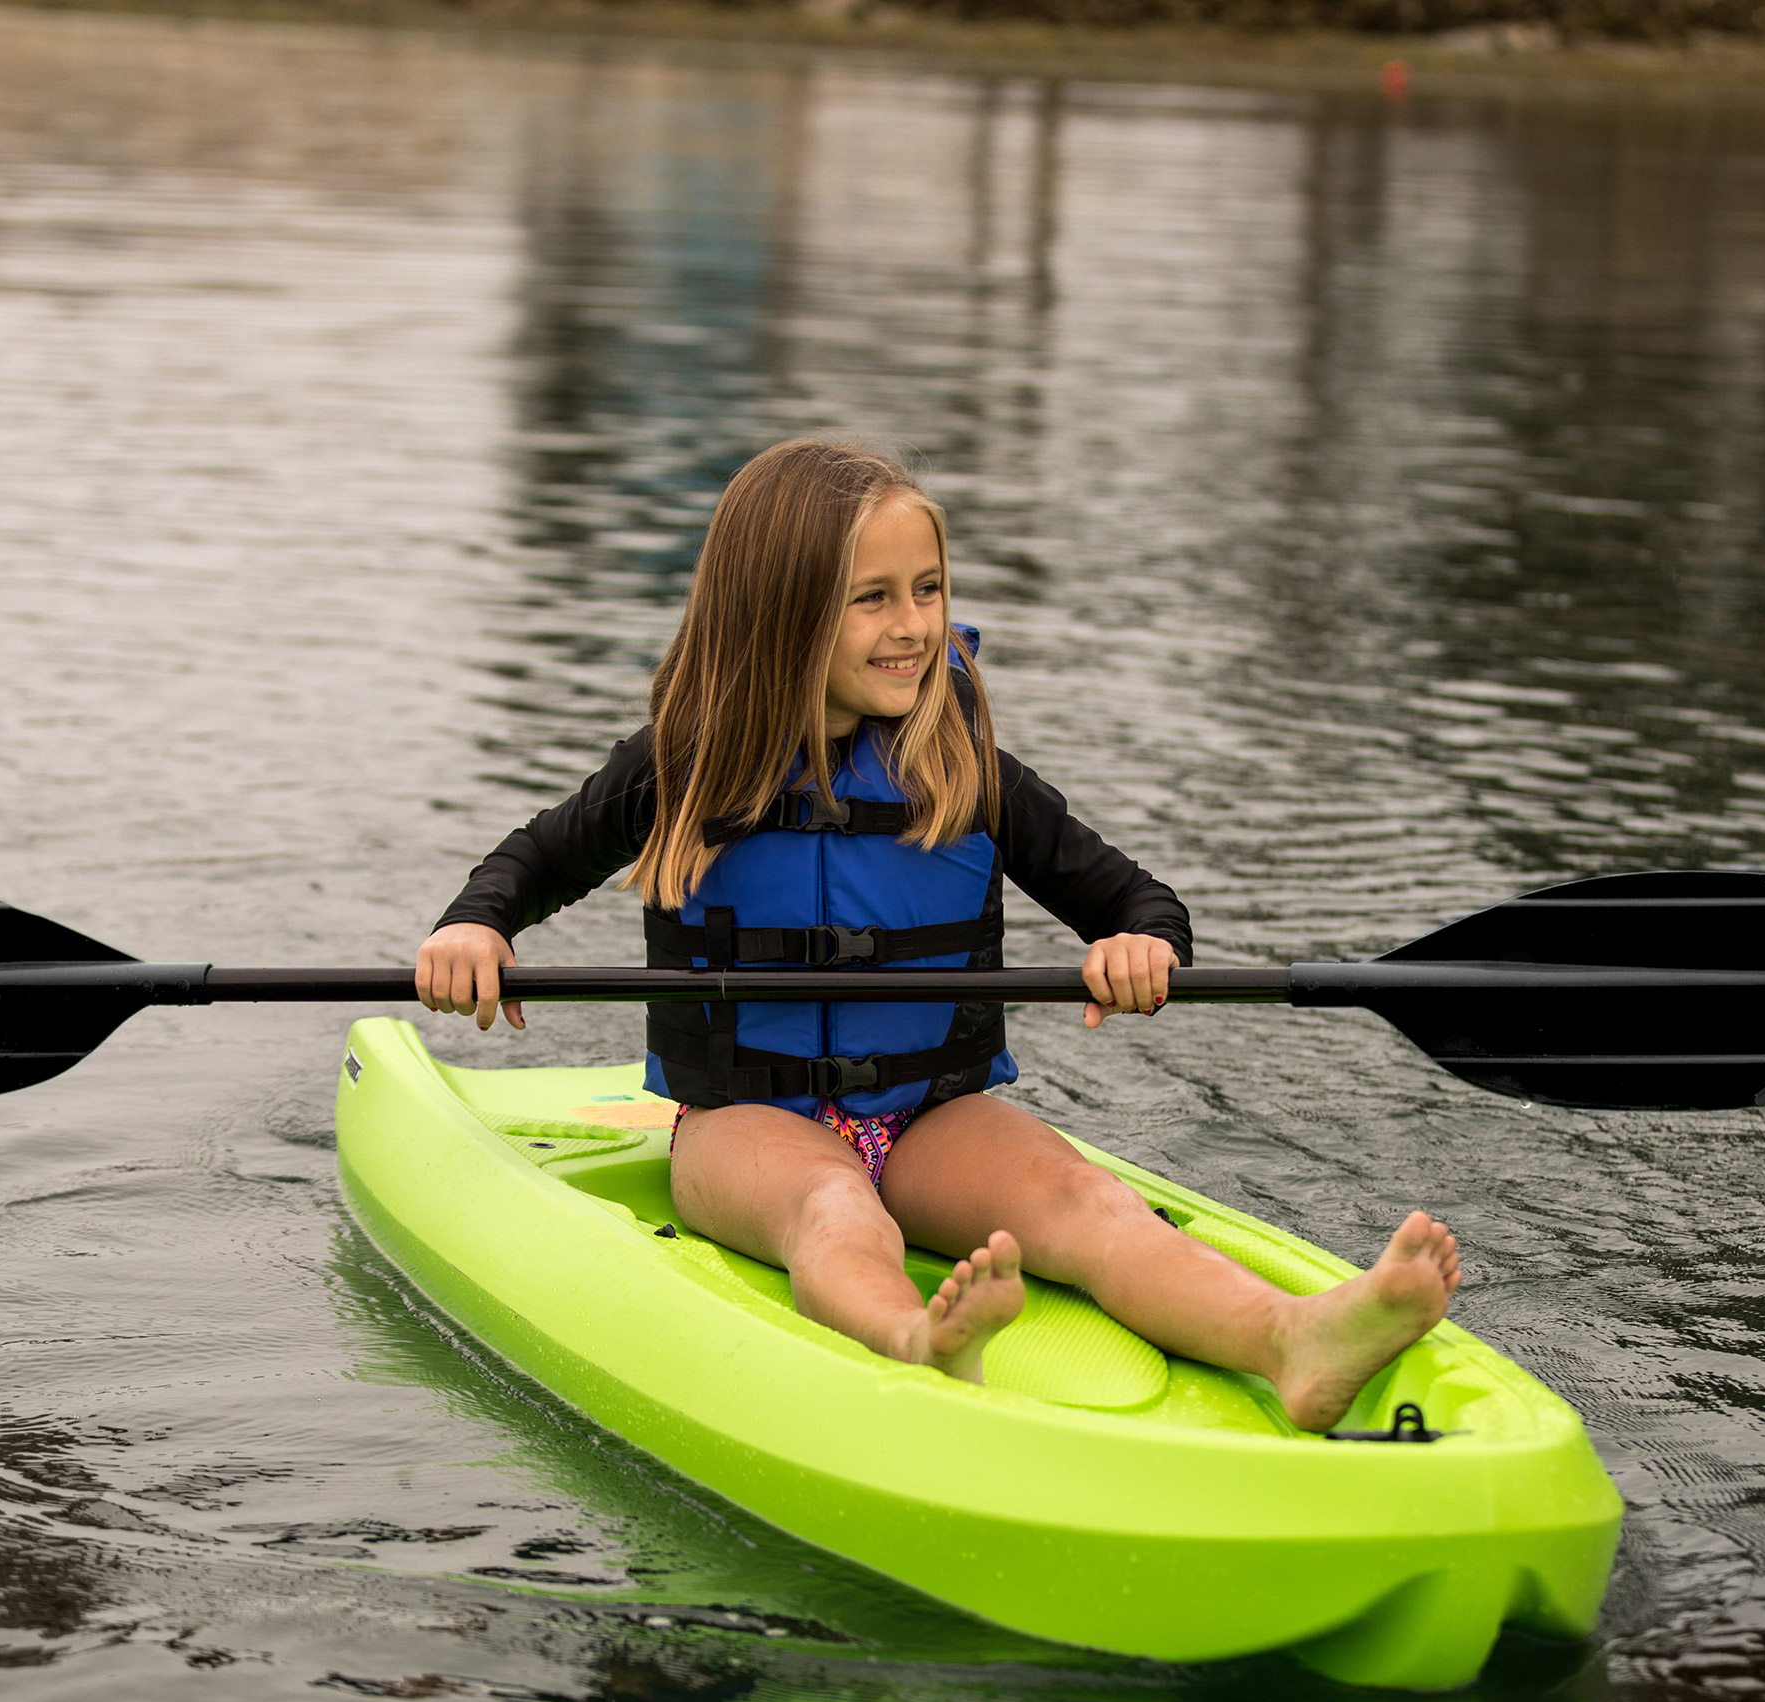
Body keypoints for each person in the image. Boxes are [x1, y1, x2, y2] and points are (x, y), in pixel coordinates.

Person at [417, 439, 1459, 1432]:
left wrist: (1137, 947)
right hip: (744, 1125)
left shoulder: (960, 761)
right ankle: (912, 1338)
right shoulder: (681, 763)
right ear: (777, 614)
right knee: (832, 1207)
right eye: (872, 597)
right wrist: (474, 925)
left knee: (1086, 1202)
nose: (912, 624)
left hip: (928, 1119)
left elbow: (1138, 902)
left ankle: (1288, 1339)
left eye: (927, 589)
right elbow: (532, 861)